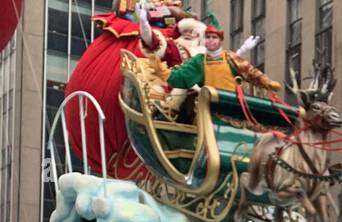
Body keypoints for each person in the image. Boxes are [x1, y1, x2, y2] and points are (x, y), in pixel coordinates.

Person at [62, 1, 185, 178]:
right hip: (135, 40)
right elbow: (121, 9)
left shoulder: (181, 37)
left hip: (162, 43)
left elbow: (178, 15)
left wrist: (168, 13)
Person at [166, 17, 278, 97]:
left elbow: (250, 71)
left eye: (214, 37)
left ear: (220, 41)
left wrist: (267, 82)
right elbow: (182, 76)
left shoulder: (230, 57)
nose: (210, 40)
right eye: (208, 37)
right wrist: (163, 72)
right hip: (209, 106)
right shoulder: (199, 60)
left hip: (232, 103)